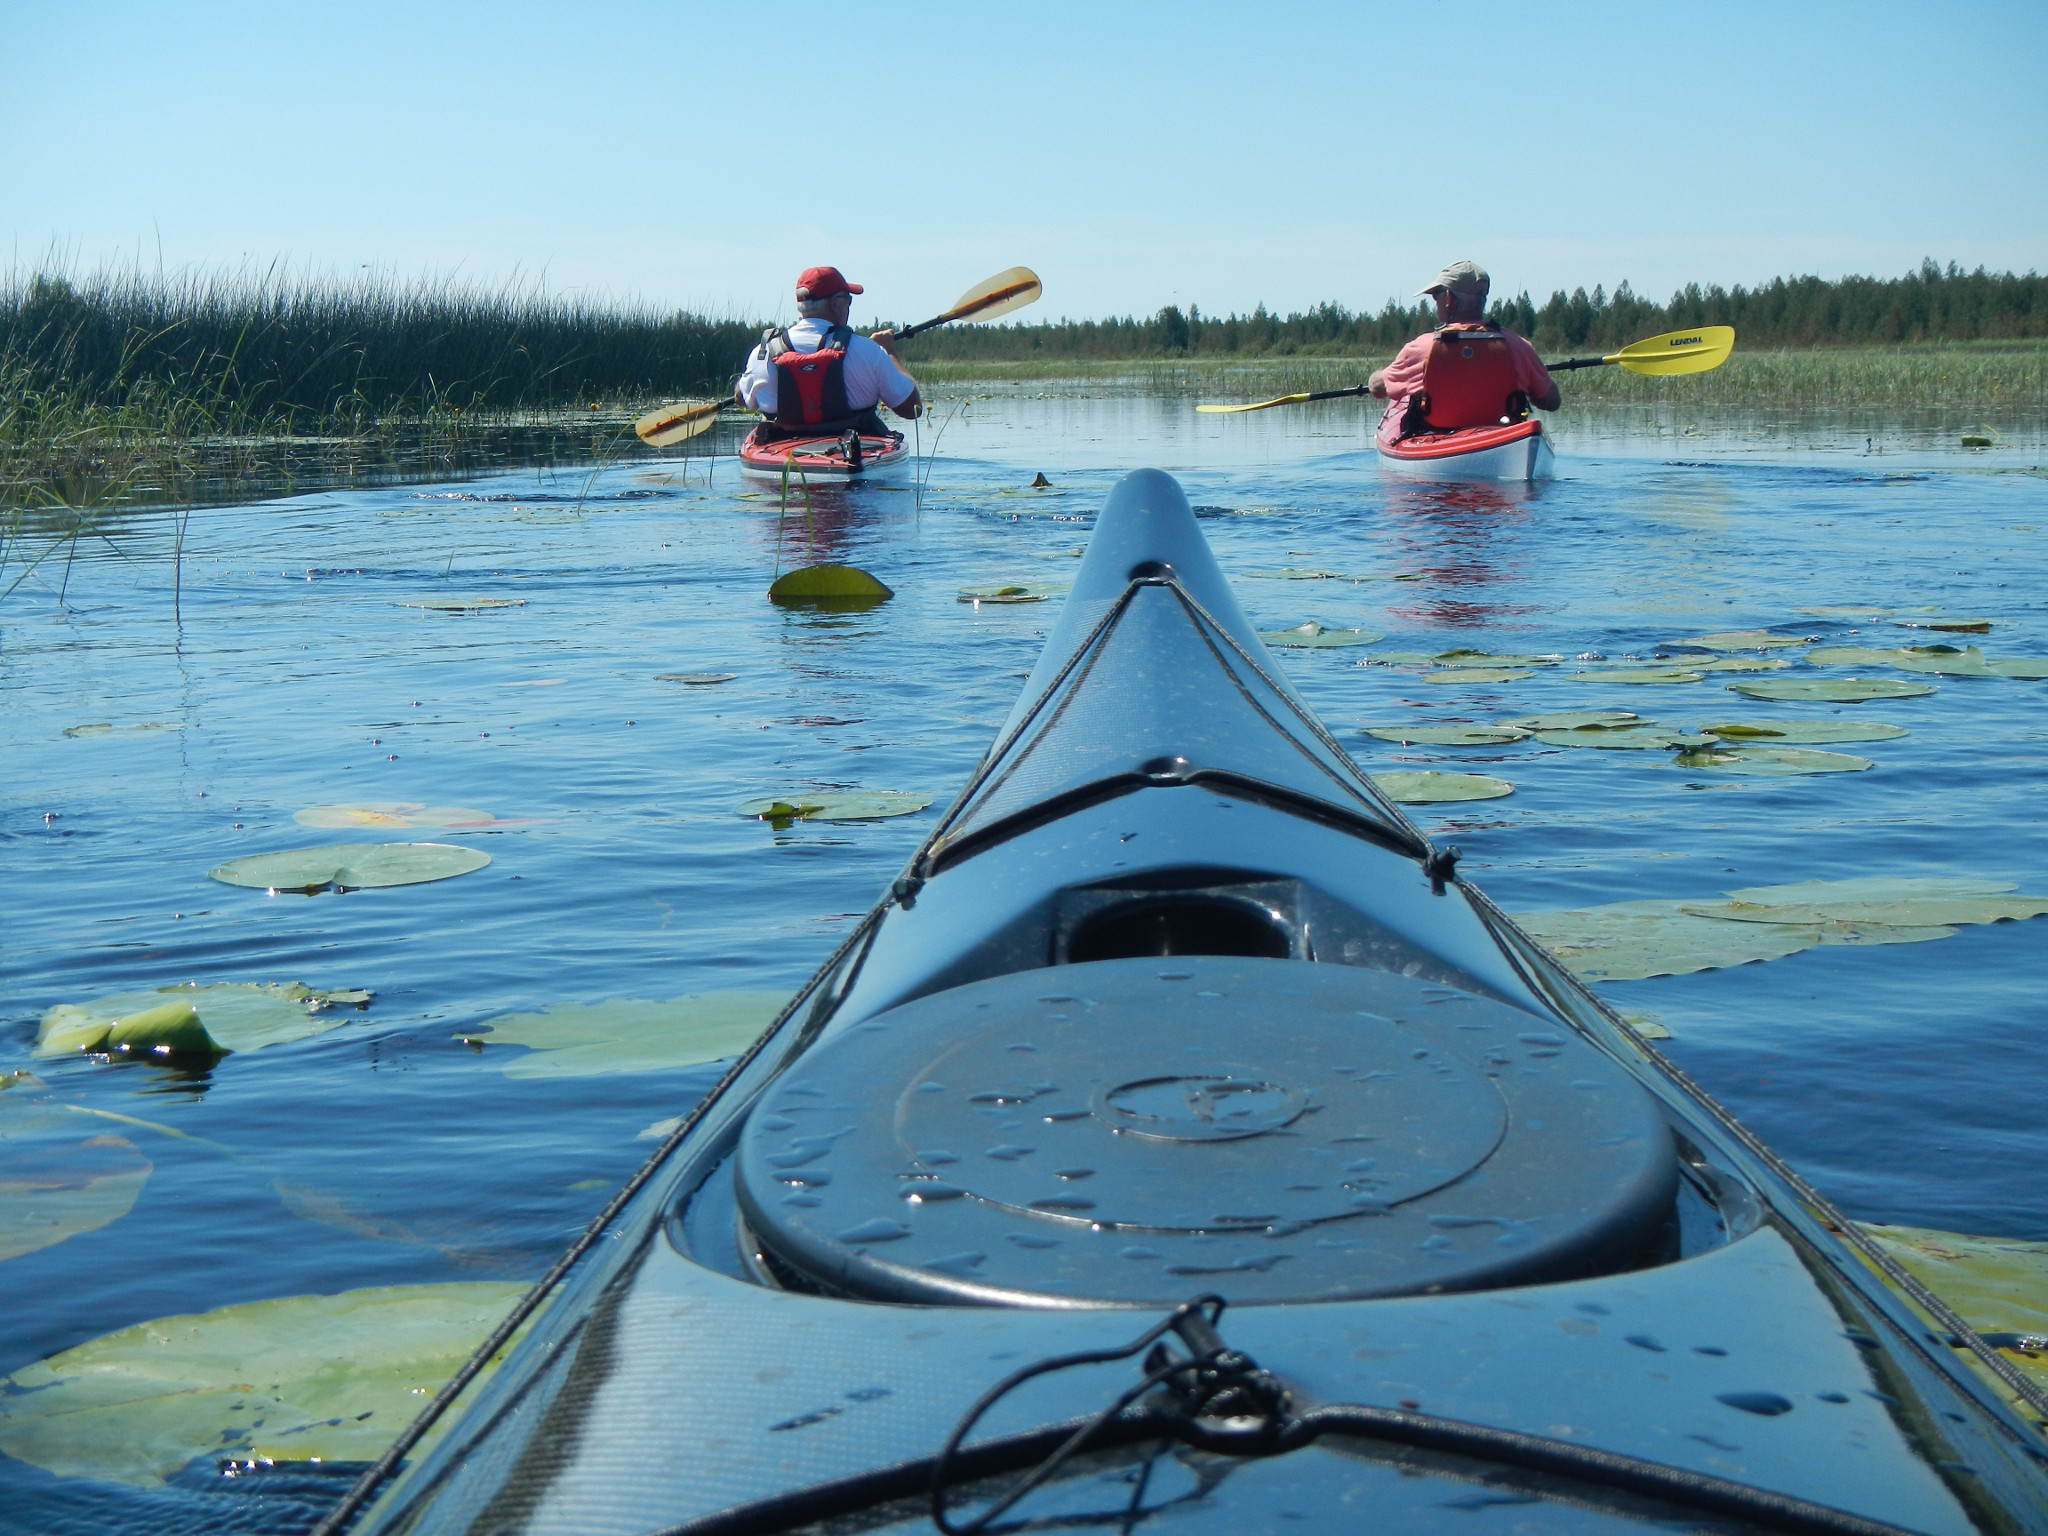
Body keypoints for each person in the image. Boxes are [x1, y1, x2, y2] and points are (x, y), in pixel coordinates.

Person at [1367, 261, 1560, 445]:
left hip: (1437, 440)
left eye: (1436, 295)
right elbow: (1551, 401)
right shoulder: (1518, 346)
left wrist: (1376, 376)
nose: (1435, 302)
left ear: (1449, 298)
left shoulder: (1422, 348)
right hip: (1504, 439)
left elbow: (1378, 388)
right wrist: (1531, 380)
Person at [735, 266, 924, 443]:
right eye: (848, 300)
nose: (849, 306)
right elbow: (912, 409)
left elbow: (742, 399)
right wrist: (889, 352)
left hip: (784, 452)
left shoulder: (762, 352)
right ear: (835, 304)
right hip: (854, 453)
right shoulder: (869, 351)